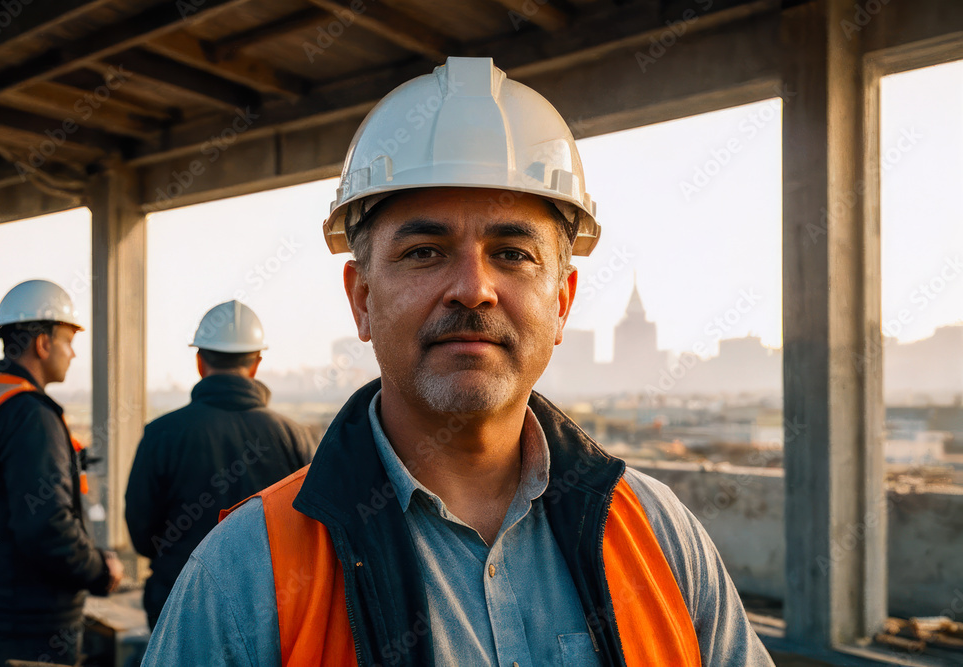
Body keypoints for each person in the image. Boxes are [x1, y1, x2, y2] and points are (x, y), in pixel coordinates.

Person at [144, 57, 774, 666]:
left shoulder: (661, 538)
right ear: (361, 300)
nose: (473, 288)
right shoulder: (244, 576)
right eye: (424, 251)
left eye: (513, 253)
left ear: (561, 303)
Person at [125, 300, 316, 630]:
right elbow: (313, 529)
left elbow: (143, 535)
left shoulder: (161, 435)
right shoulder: (293, 437)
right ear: (256, 364)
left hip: (179, 607)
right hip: (270, 610)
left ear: (200, 362)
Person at [0, 279, 123, 667]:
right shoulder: (31, 414)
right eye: (68, 340)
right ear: (42, 343)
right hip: (26, 623)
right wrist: (101, 571)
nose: (73, 352)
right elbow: (45, 526)